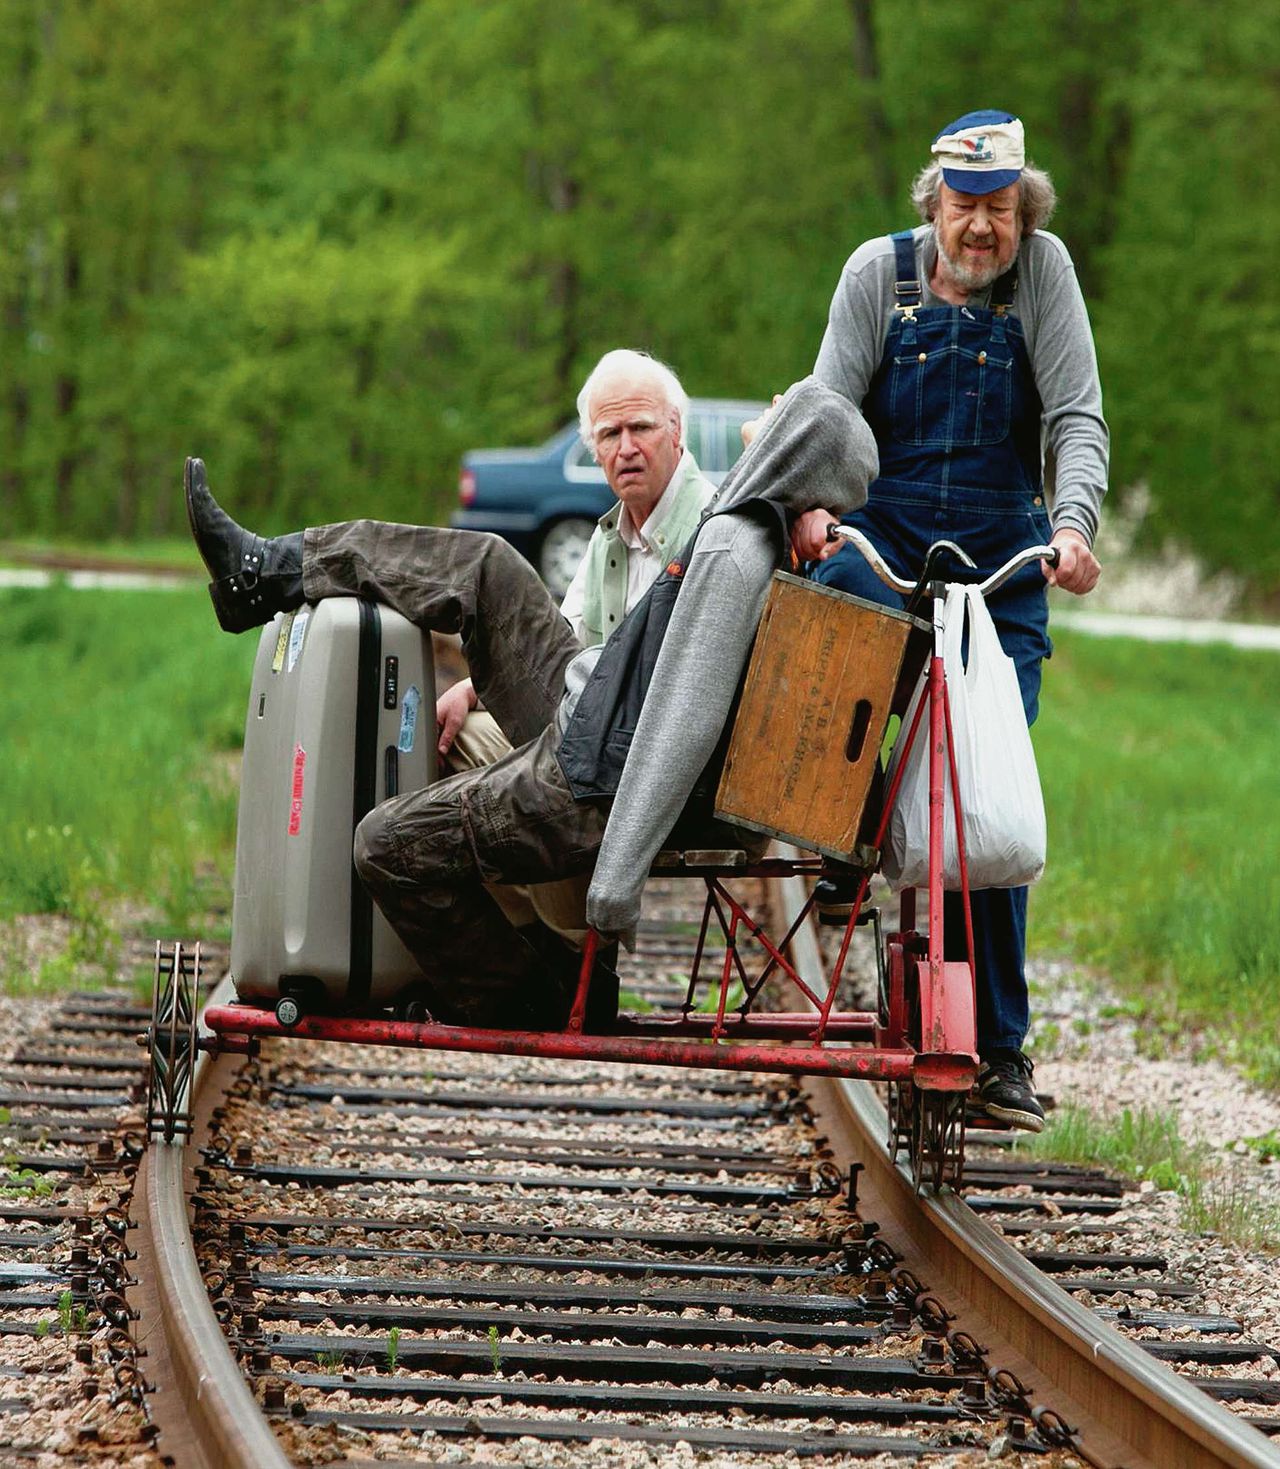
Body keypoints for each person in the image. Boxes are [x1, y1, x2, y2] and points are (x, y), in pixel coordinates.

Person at [186, 367, 878, 1030]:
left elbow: (685, 722)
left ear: (791, 442)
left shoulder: (732, 543)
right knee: (487, 566)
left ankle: (531, 996)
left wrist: (615, 883)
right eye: (610, 434)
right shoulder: (753, 514)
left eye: (783, 406)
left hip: (598, 774)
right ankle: (267, 573)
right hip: (598, 718)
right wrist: (801, 504)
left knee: (385, 844)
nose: (770, 403)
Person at [796, 110, 1108, 1134]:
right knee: (821, 622)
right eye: (965, 208)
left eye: (1000, 212)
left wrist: (1069, 528)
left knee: (988, 804)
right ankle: (841, 829)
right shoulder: (871, 277)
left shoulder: (1043, 275)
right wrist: (808, 507)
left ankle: (1001, 1051)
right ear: (933, 203)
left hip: (998, 566)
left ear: (1025, 212)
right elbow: (829, 408)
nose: (981, 230)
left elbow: (1072, 415)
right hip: (883, 539)